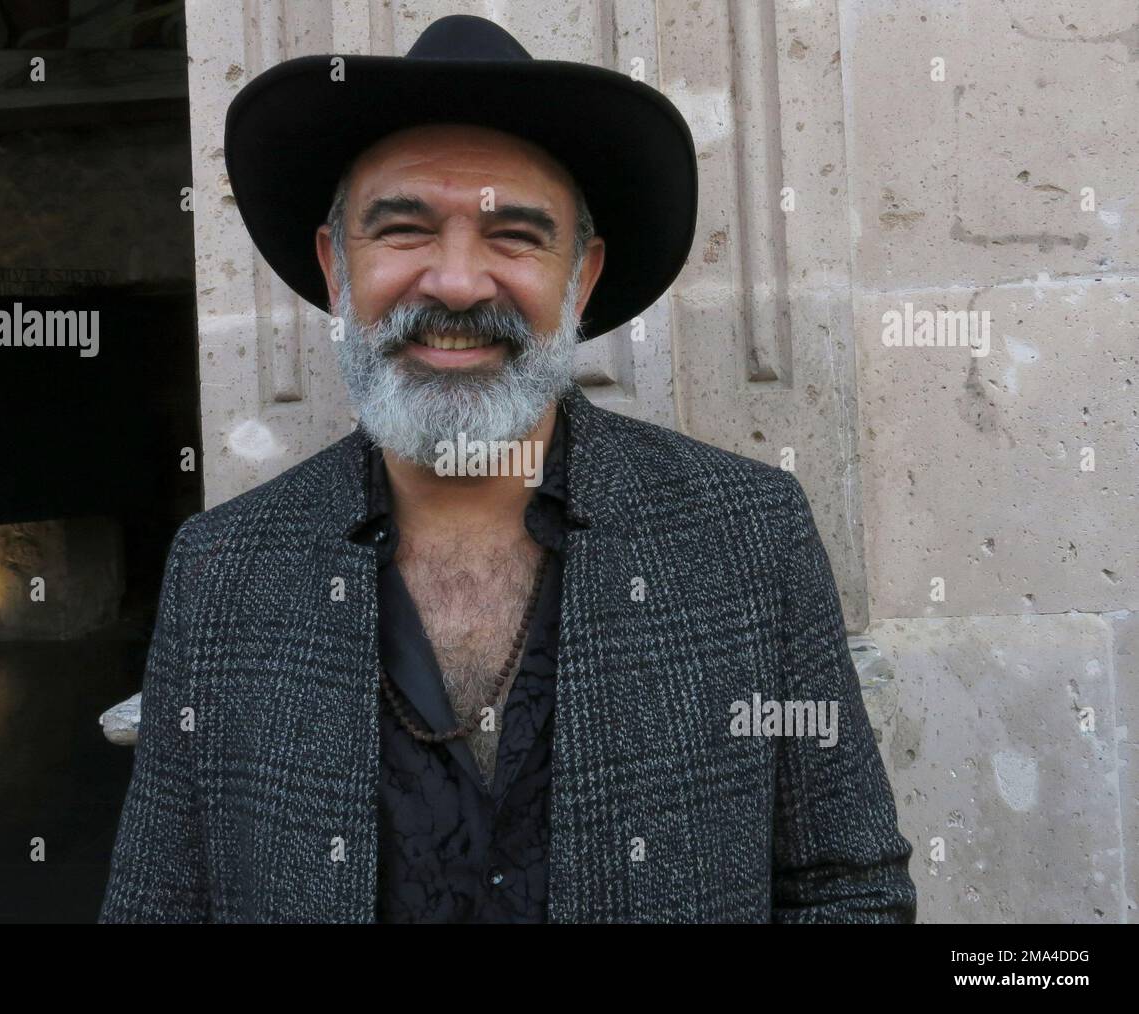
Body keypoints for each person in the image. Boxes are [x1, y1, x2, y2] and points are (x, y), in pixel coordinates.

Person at [100, 13, 916, 923]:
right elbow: (158, 907)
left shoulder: (749, 533)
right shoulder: (221, 570)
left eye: (516, 236)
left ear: (582, 278)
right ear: (336, 269)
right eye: (405, 228)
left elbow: (849, 888)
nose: (456, 283)